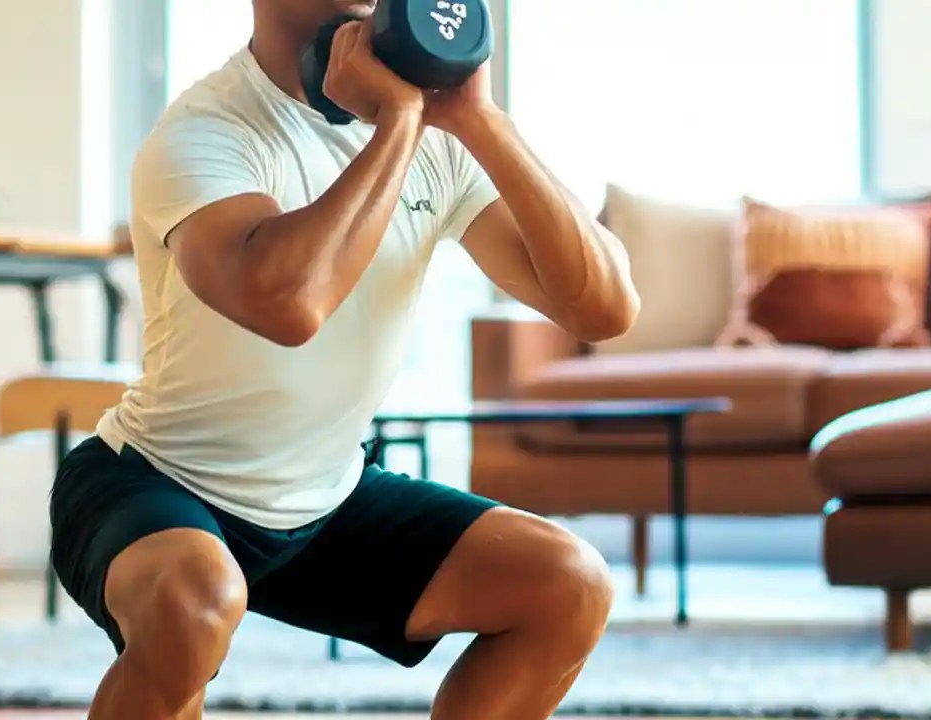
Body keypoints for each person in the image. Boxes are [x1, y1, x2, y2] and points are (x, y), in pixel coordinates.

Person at [50, 1, 641, 718]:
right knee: (195, 602)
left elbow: (604, 310)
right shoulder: (206, 132)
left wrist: (478, 119)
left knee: (567, 584)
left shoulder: (443, 138)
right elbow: (289, 306)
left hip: (324, 499)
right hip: (155, 483)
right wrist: (396, 125)